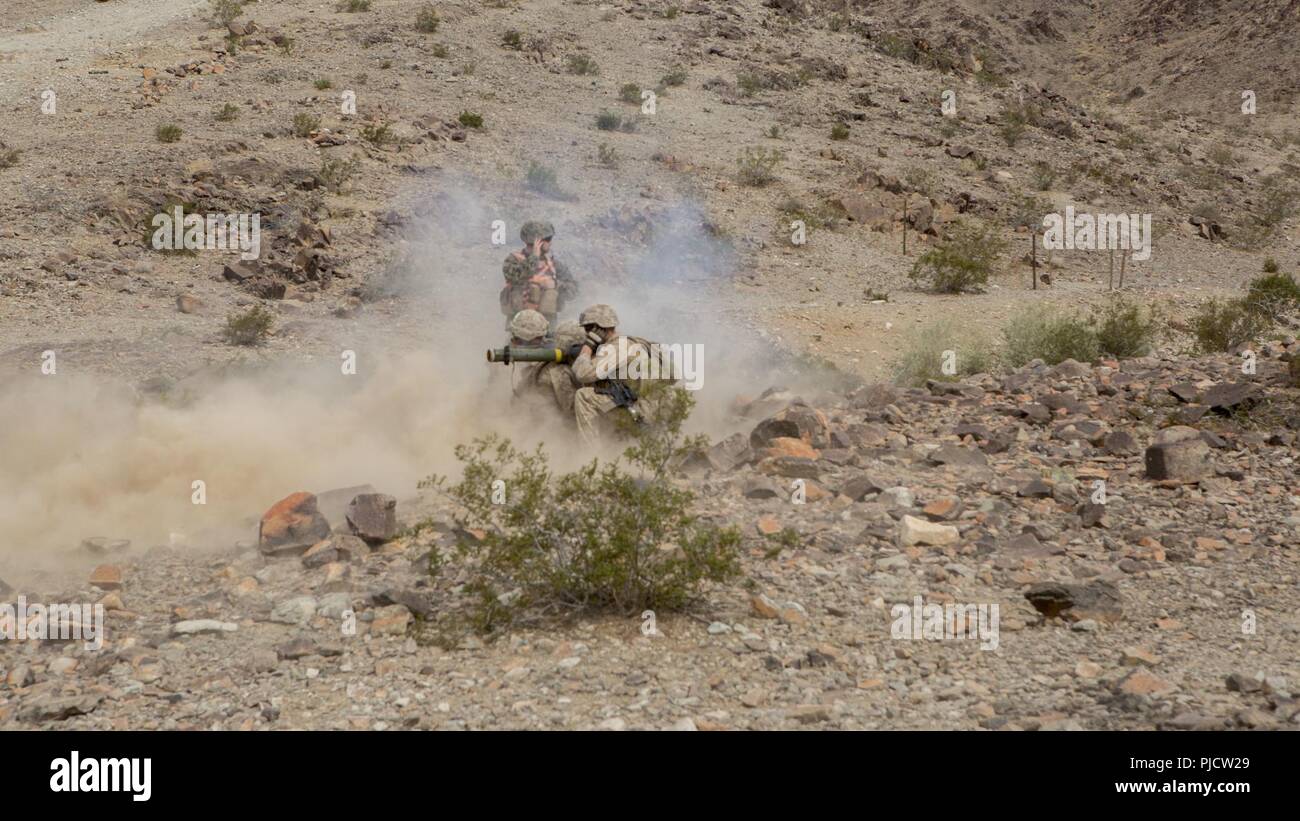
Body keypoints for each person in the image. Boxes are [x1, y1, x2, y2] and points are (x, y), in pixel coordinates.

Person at [570, 304, 672, 446]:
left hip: (640, 411)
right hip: (644, 406)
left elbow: (583, 374)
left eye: (588, 328)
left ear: (599, 328)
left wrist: (587, 347)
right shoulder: (630, 343)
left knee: (584, 396)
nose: (586, 333)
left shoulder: (618, 347)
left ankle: (590, 454)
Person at [499, 221, 578, 330]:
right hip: (518, 327)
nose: (550, 243)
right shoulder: (513, 260)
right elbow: (513, 276)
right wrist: (534, 258)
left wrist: (555, 284)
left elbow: (573, 291)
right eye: (548, 239)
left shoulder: (554, 264)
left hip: (547, 327)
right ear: (538, 241)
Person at [507, 312, 581, 421]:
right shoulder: (535, 367)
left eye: (516, 339)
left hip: (554, 429)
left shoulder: (554, 371)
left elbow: (572, 413)